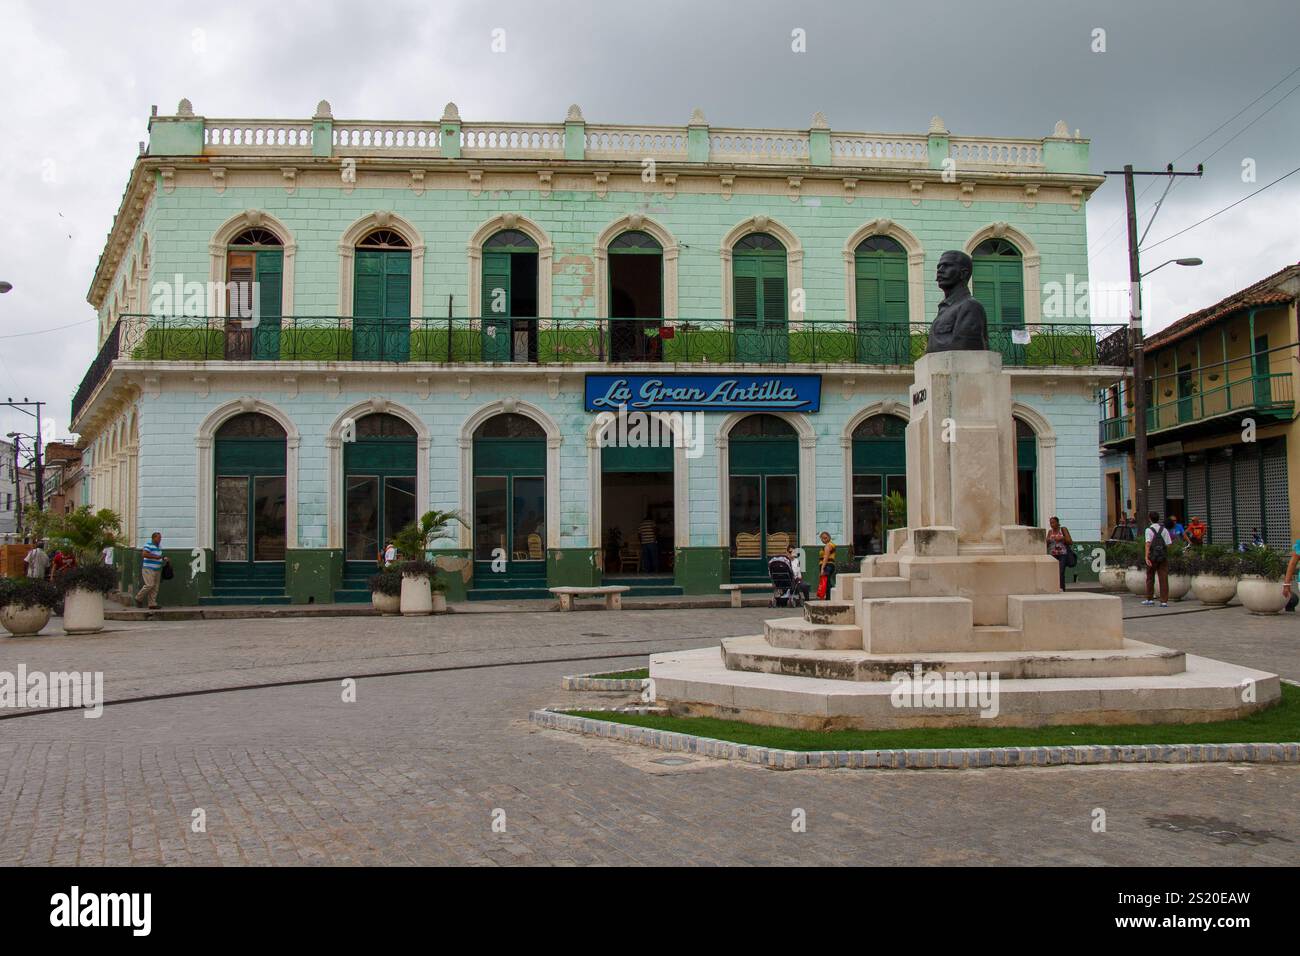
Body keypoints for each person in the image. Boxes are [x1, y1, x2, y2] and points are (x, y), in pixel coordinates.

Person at [1142, 511, 1172, 608]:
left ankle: (1149, 599)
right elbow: (1169, 544)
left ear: (1150, 518)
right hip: (1162, 557)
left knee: (1150, 577)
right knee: (1163, 578)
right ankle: (1164, 601)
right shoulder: (1164, 530)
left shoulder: (1148, 530)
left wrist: (1146, 556)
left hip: (1152, 557)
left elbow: (1148, 543)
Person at [135, 531, 169, 610]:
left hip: (157, 568)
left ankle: (152, 603)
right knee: (149, 584)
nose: (160, 539)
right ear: (153, 538)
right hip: (148, 568)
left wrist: (164, 558)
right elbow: (144, 554)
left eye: (160, 538)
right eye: (158, 538)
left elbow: (159, 556)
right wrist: (155, 557)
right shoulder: (148, 545)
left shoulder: (159, 547)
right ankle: (138, 598)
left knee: (155, 587)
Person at [1046, 516, 1073, 591]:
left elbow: (1070, 541)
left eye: (1053, 522)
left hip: (1062, 554)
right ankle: (1053, 587)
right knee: (1053, 571)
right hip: (1053, 554)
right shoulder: (1050, 532)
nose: (1052, 524)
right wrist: (1047, 540)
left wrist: (1062, 538)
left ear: (1058, 523)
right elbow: (1046, 544)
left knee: (1061, 571)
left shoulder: (1063, 529)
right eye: (1051, 523)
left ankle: (1061, 587)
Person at [817, 531, 837, 598]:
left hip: (827, 565)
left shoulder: (828, 545)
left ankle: (829, 597)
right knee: (827, 581)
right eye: (822, 538)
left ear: (829, 537)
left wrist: (822, 568)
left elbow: (826, 557)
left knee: (826, 582)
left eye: (825, 538)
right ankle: (831, 596)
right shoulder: (830, 545)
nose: (824, 539)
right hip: (829, 565)